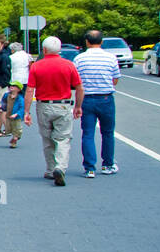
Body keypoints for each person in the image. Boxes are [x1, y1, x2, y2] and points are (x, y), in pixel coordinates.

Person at [24, 35, 84, 186]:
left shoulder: (36, 66)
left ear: (44, 50)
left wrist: (26, 111)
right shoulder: (68, 65)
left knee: (47, 138)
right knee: (63, 138)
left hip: (44, 105)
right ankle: (60, 167)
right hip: (63, 104)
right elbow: (79, 87)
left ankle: (51, 169)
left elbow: (30, 90)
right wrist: (78, 106)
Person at [73, 28, 120, 178]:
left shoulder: (79, 59)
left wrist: (77, 105)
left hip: (87, 98)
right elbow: (115, 79)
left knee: (87, 134)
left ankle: (90, 168)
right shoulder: (111, 57)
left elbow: (76, 81)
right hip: (105, 98)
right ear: (101, 41)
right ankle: (107, 164)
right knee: (107, 133)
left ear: (87, 41)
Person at [1, 81, 25, 148]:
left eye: (14, 86)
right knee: (9, 128)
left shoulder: (20, 98)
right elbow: (4, 102)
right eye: (10, 86)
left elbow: (22, 107)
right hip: (8, 115)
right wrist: (2, 107)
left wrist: (17, 114)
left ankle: (15, 139)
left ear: (19, 89)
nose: (11, 87)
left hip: (16, 116)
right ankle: (16, 136)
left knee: (17, 128)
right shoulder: (6, 95)